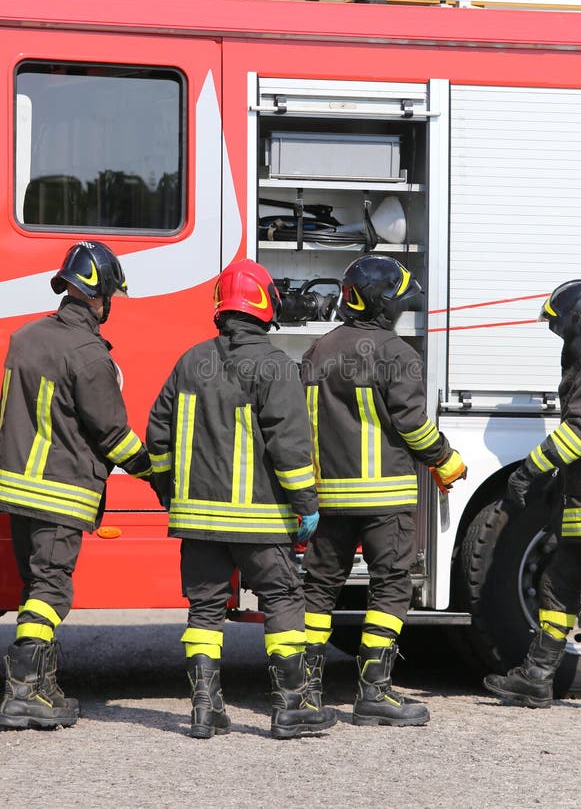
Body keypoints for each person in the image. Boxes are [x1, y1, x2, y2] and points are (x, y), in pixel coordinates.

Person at [146, 258, 337, 739]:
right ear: (265, 307)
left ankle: (204, 709)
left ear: (220, 308)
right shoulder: (274, 365)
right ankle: (292, 704)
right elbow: (290, 444)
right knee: (282, 597)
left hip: (198, 520)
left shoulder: (190, 361)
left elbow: (158, 437)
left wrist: (172, 495)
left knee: (205, 609)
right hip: (259, 519)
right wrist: (306, 504)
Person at [300, 254, 467, 726]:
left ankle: (306, 689)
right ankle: (374, 692)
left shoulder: (317, 351)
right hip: (384, 501)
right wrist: (446, 460)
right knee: (391, 586)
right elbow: (412, 425)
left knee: (319, 589)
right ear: (384, 304)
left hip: (328, 500)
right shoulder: (397, 355)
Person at [0, 241, 155, 730]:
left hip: (15, 488)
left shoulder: (24, 337)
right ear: (99, 295)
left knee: (35, 586)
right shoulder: (89, 354)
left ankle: (41, 685)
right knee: (51, 590)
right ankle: (25, 691)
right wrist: (156, 473)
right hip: (60, 491)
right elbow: (113, 435)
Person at [484, 280, 581, 716]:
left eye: (559, 326)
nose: (556, 334)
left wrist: (534, 468)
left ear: (579, 323)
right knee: (555, 586)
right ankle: (535, 678)